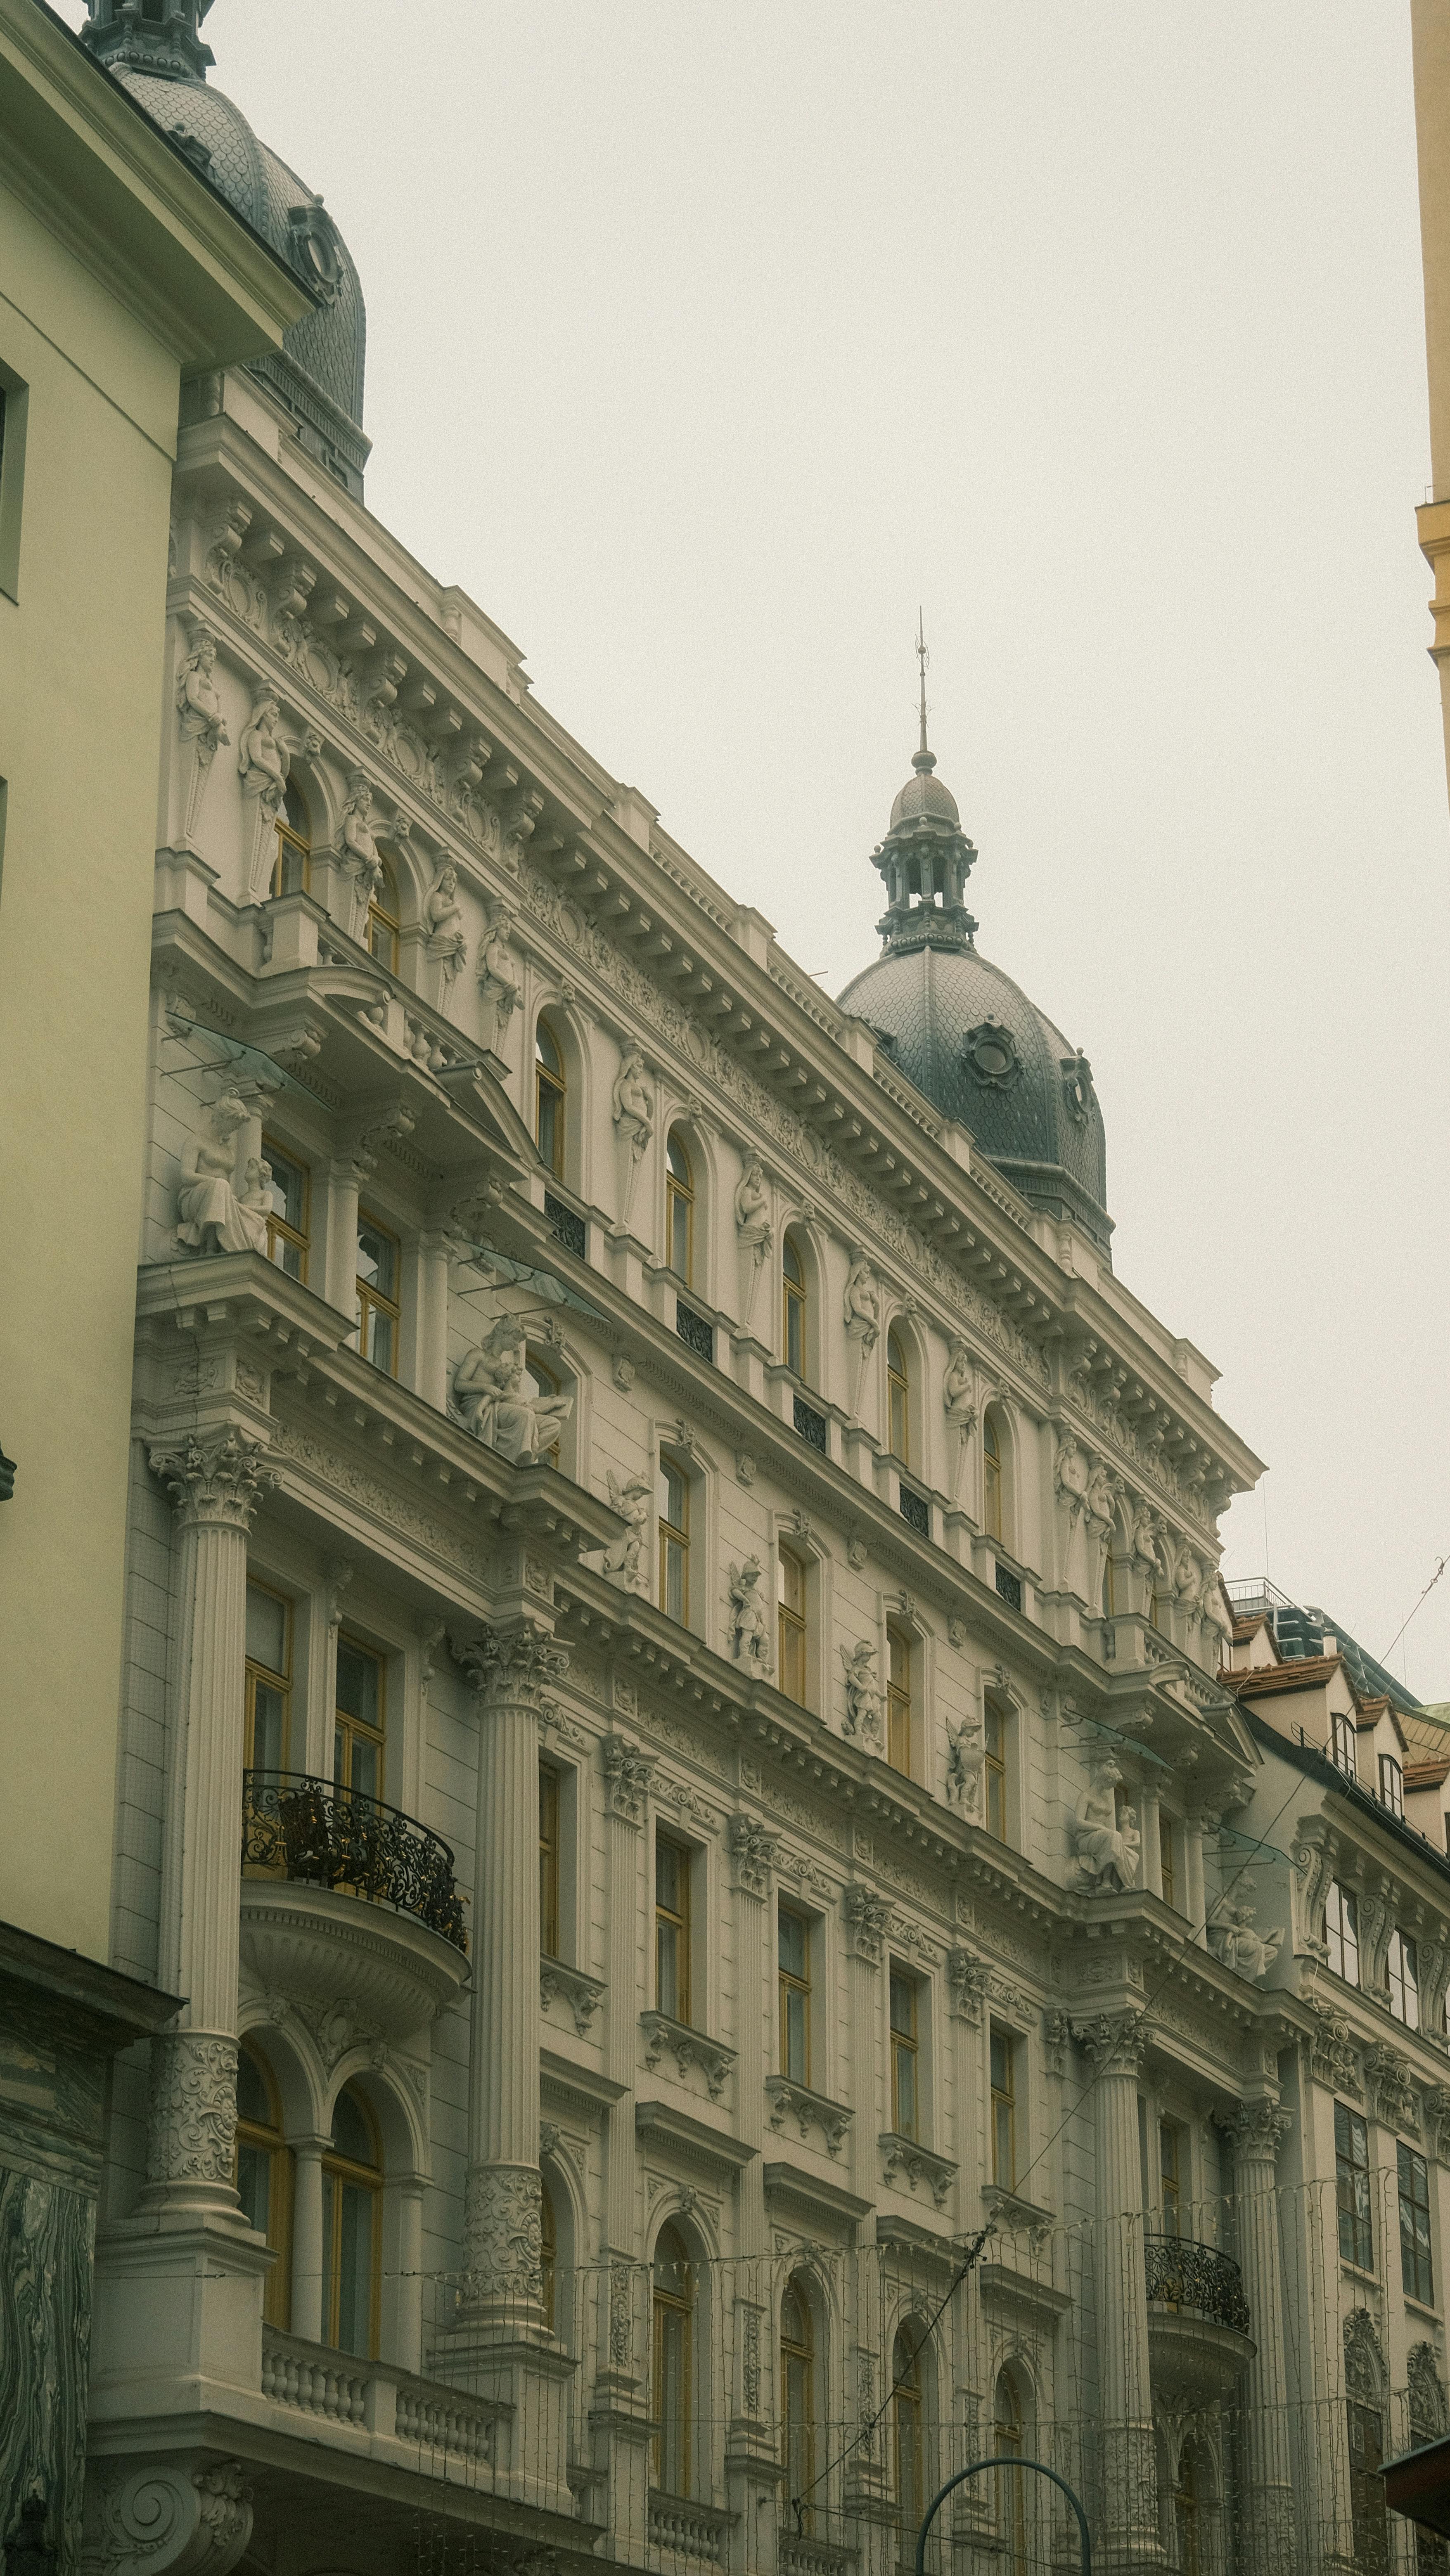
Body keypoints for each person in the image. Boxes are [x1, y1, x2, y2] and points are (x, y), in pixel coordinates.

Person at [175, 1096, 255, 1255]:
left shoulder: (228, 1150)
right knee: (220, 1186)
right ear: (222, 1117)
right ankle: (211, 1248)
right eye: (234, 1125)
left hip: (221, 1197)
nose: (235, 1130)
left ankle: (236, 1254)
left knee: (255, 1220)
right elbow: (186, 1175)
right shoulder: (196, 1141)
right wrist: (217, 1183)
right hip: (194, 1198)